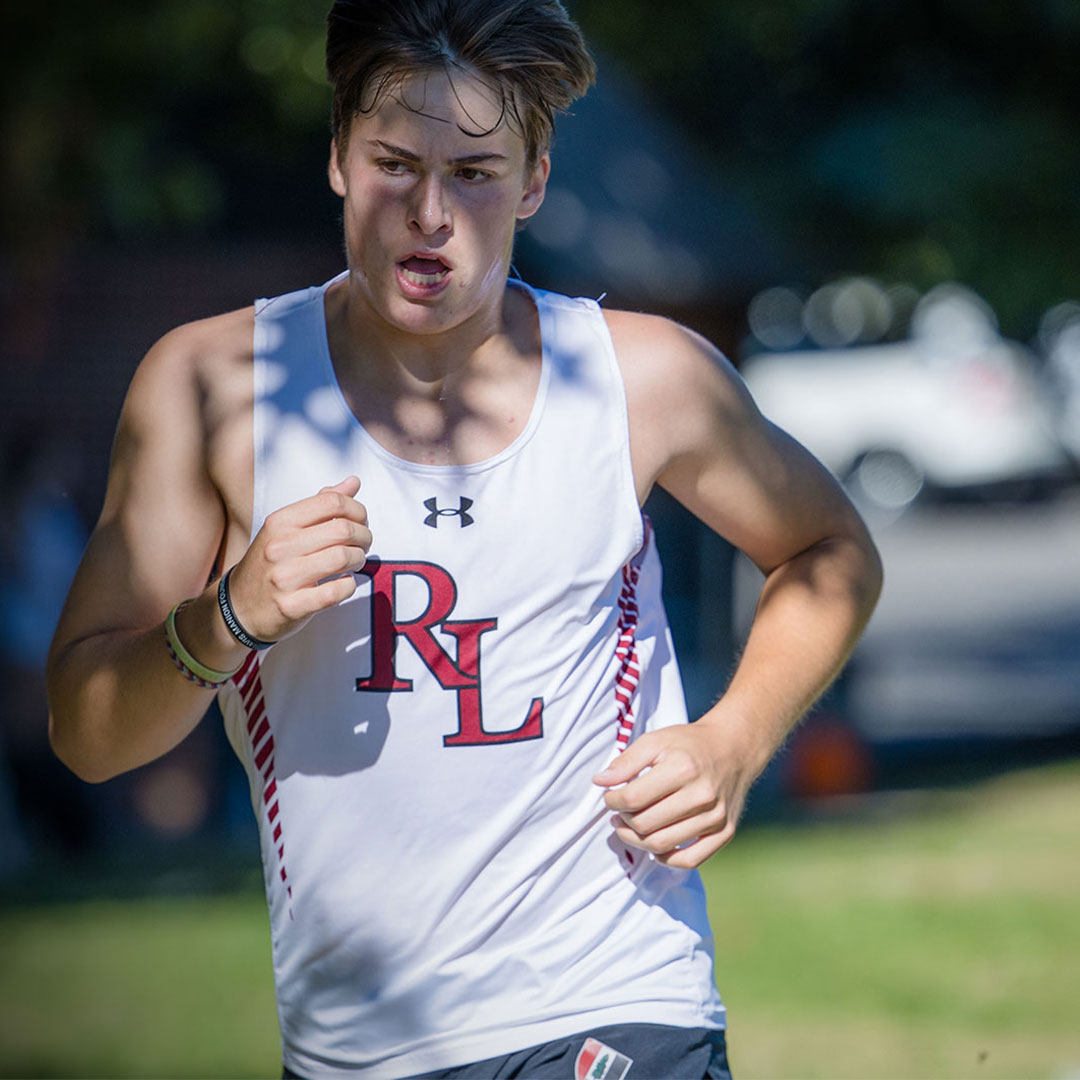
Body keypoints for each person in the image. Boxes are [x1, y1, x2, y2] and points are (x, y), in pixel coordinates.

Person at [46, 1, 883, 1077]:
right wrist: (230, 618)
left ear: (535, 182)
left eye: (476, 173)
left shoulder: (643, 377)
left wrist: (736, 740)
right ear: (338, 157)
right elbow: (88, 732)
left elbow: (829, 551)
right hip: (356, 1047)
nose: (430, 213)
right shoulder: (213, 386)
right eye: (394, 164)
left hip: (617, 994)